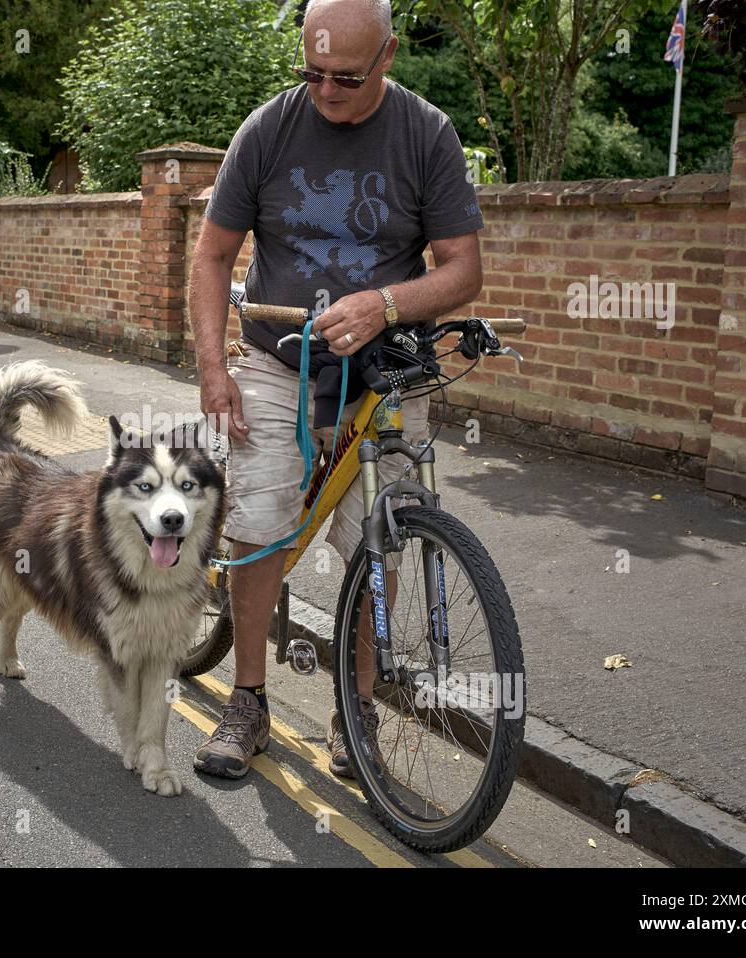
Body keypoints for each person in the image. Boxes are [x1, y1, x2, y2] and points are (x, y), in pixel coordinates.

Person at [189, 0, 484, 780]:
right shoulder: (268, 129)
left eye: (345, 78)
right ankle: (247, 701)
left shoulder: (427, 134)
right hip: (278, 362)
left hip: (386, 376)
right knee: (258, 525)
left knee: (376, 546)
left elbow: (462, 268)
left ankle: (355, 717)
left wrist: (386, 304)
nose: (325, 90)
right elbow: (214, 255)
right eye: (310, 73)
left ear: (388, 55)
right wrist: (213, 368)